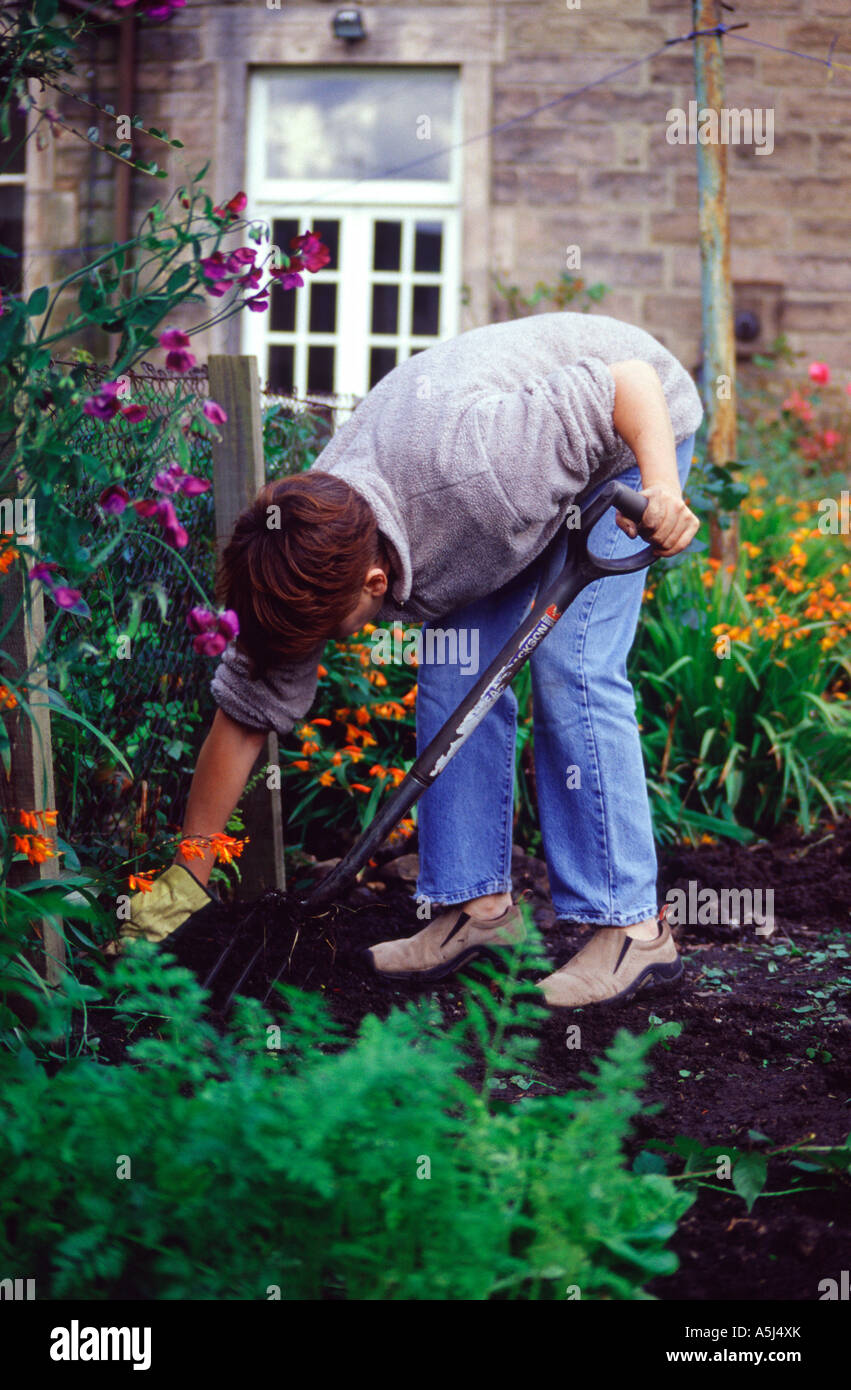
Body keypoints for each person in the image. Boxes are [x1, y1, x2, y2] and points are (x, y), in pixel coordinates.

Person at [124, 311, 703, 1008]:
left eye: (334, 635)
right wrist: (191, 870)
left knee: (569, 669)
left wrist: (663, 490)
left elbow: (627, 384)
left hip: (625, 437)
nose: (329, 648)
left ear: (374, 586)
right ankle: (477, 910)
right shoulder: (301, 553)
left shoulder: (484, 466)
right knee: (456, 670)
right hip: (488, 492)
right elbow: (246, 712)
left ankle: (634, 930)